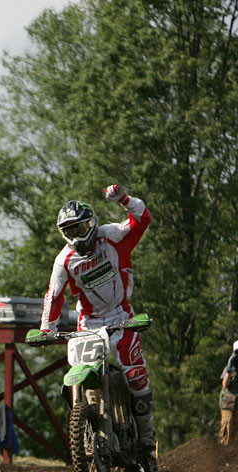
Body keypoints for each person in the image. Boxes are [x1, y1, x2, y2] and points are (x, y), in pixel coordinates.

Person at [36, 184, 156, 451]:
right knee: (82, 375)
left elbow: (142, 219)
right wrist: (46, 329)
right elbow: (53, 295)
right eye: (70, 231)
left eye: (80, 227)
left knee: (135, 372)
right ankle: (92, 428)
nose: (77, 235)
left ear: (91, 223)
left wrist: (124, 199)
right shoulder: (64, 260)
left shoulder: (111, 235)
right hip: (89, 324)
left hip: (120, 316)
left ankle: (147, 433)